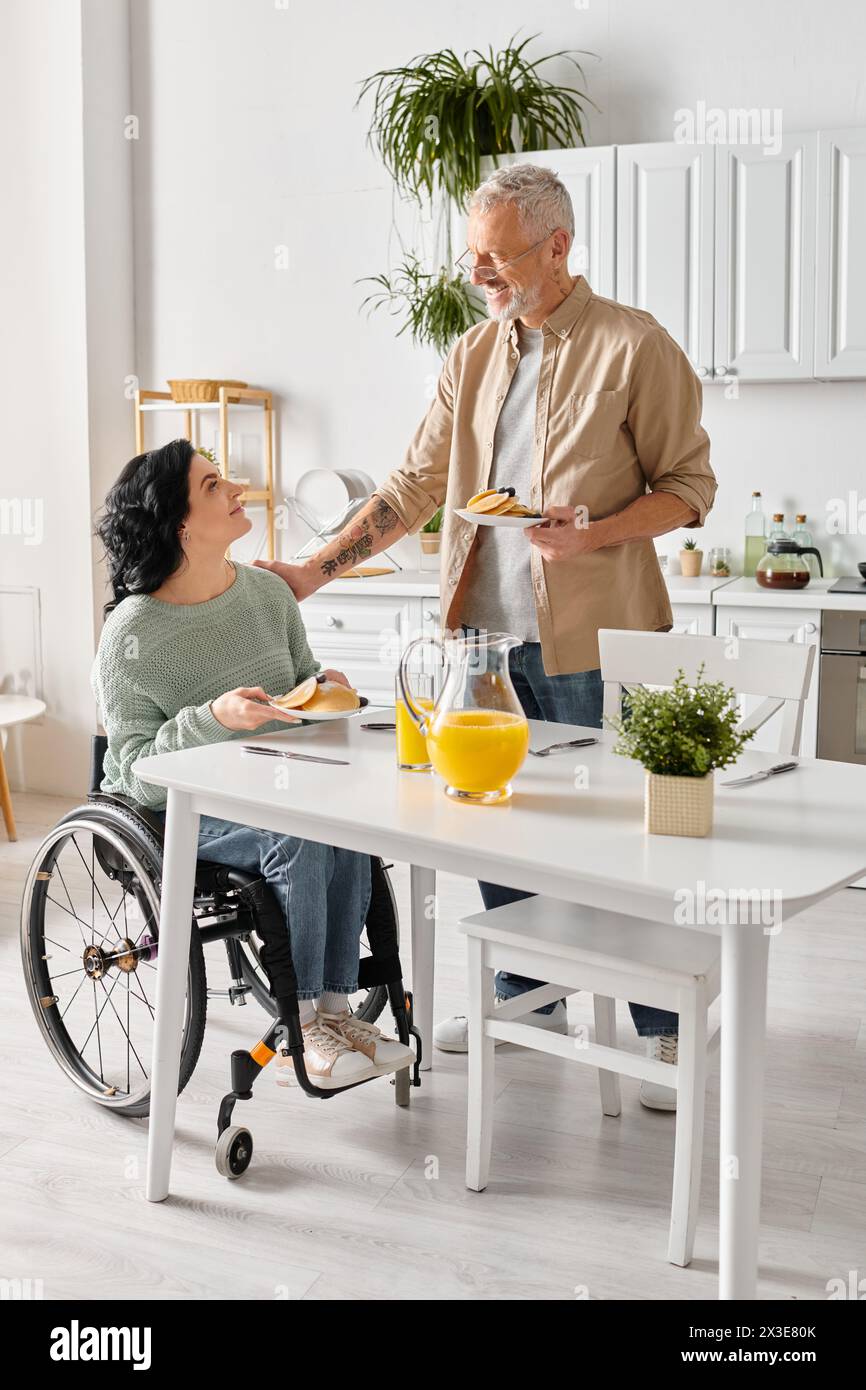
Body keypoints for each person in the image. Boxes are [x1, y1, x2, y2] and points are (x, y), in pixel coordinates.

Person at [257, 164, 717, 1110]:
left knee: (619, 840)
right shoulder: (472, 355)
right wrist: (313, 568)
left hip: (595, 640)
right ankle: (529, 994)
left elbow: (689, 488)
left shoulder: (636, 347)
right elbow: (412, 487)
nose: (480, 275)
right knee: (492, 826)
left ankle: (666, 1031)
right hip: (479, 641)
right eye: (474, 255)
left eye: (498, 257)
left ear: (558, 246)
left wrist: (592, 534)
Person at [91, 438, 413, 1090]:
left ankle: (333, 1010)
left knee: (344, 816)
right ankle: (303, 1025)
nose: (237, 489)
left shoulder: (266, 595)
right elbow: (128, 768)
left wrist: (327, 691)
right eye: (214, 485)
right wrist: (214, 719)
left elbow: (301, 689)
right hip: (182, 811)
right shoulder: (131, 634)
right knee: (298, 829)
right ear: (177, 523)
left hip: (279, 783)